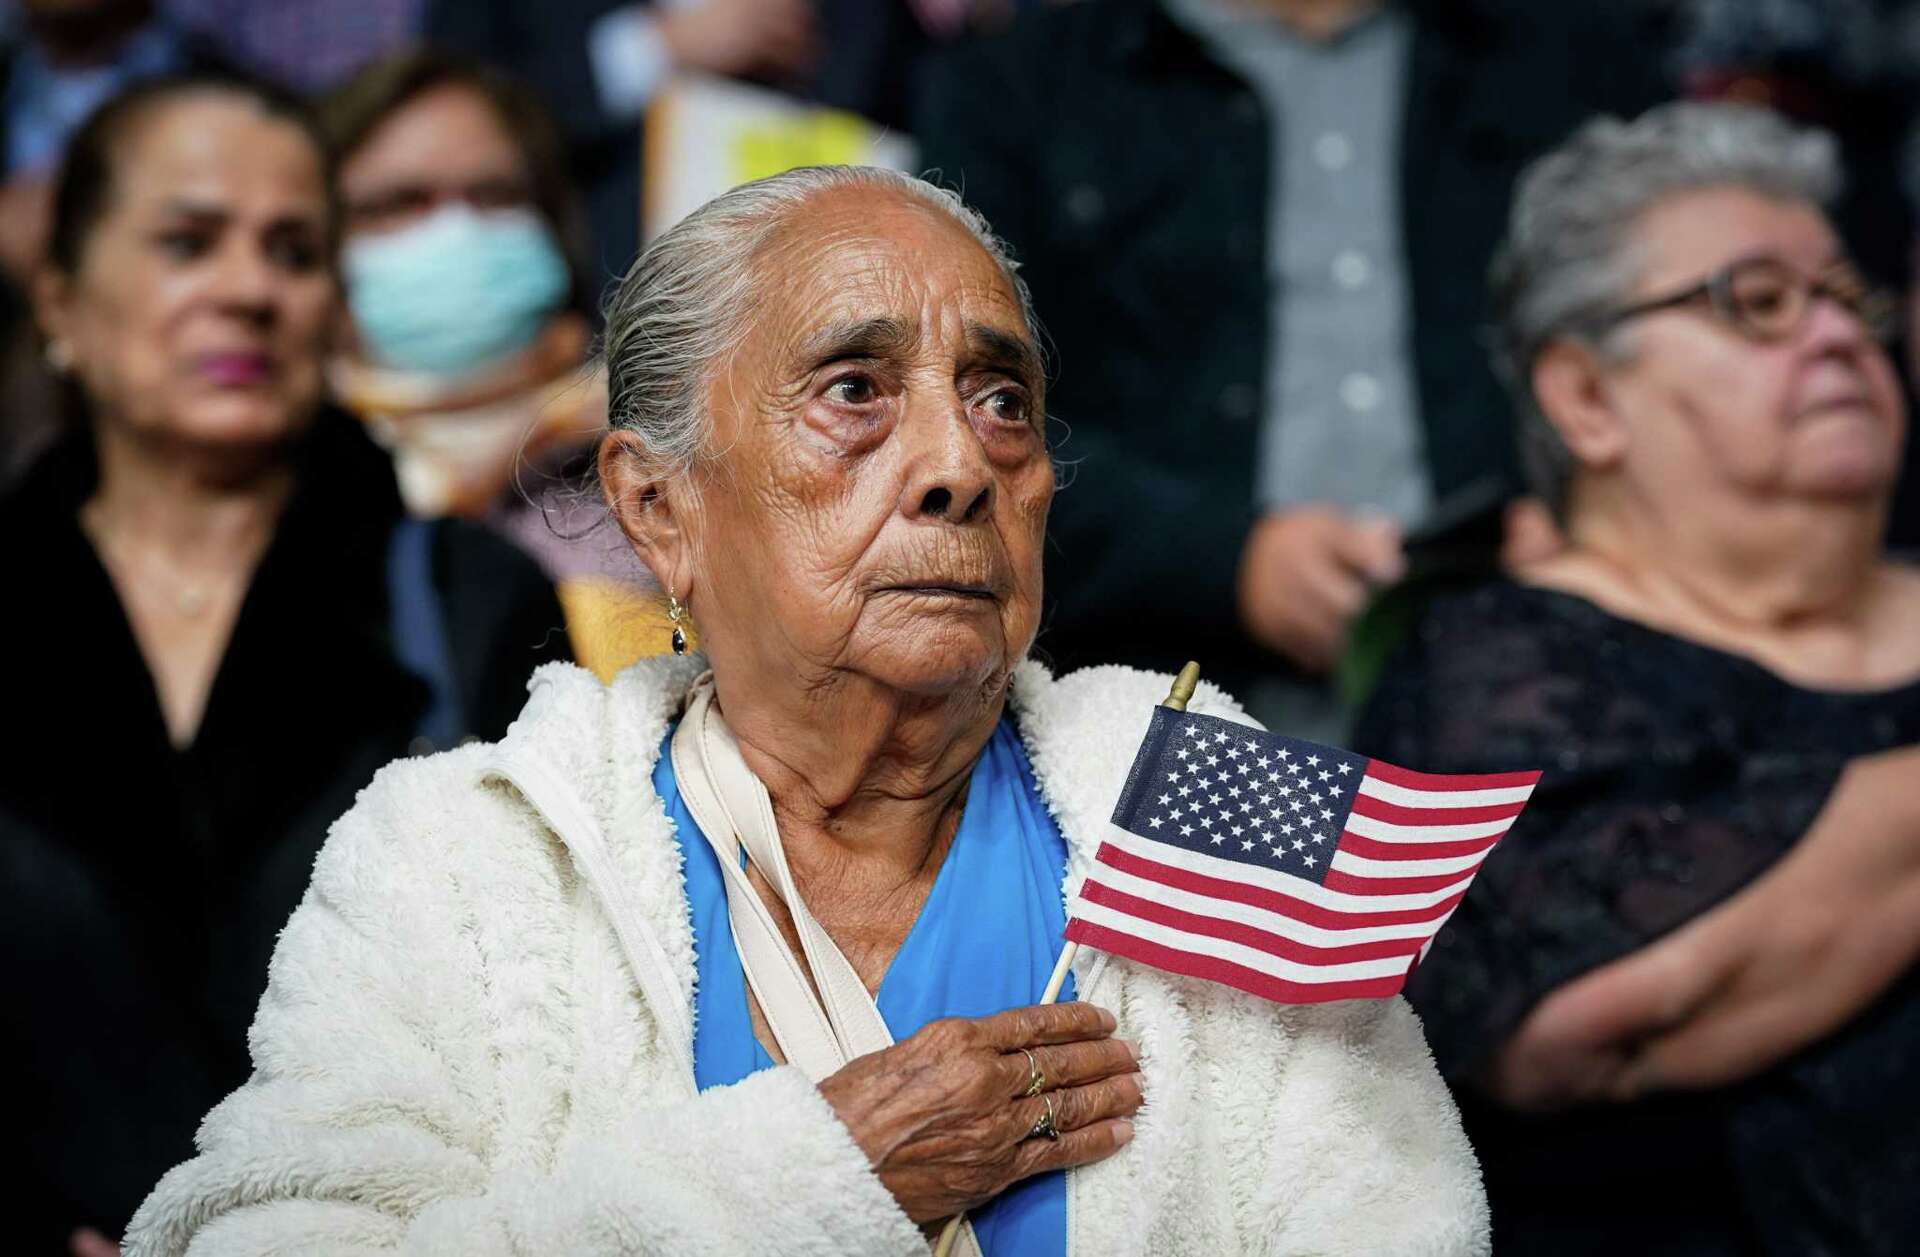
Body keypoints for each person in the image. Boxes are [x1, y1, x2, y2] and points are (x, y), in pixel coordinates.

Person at [124, 166, 1485, 1256]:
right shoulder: (463, 855)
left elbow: (1405, 1223)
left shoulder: (1202, 781)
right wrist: (812, 1182)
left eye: (1002, 399)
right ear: (659, 508)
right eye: (855, 390)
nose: (960, 461)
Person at [0, 73, 570, 1254]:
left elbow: (556, 1027)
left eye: (296, 251)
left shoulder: (466, 598)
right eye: (187, 242)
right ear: (61, 298)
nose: (249, 290)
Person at [1356, 102, 1920, 1255]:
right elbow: (1577, 1016)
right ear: (1586, 399)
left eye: (1847, 298)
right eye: (1756, 301)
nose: (1836, 336)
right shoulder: (1493, 666)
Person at [914, 0, 1675, 744]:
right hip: (1149, 712)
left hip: (1557, 670)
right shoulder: (1025, 83)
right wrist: (1231, 562)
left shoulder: (1573, 59)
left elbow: (1686, 352)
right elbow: (954, 418)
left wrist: (1589, 512)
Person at [321, 49, 660, 676]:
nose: (456, 232)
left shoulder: (652, 454)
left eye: (496, 194)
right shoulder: (276, 471)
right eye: (401, 202)